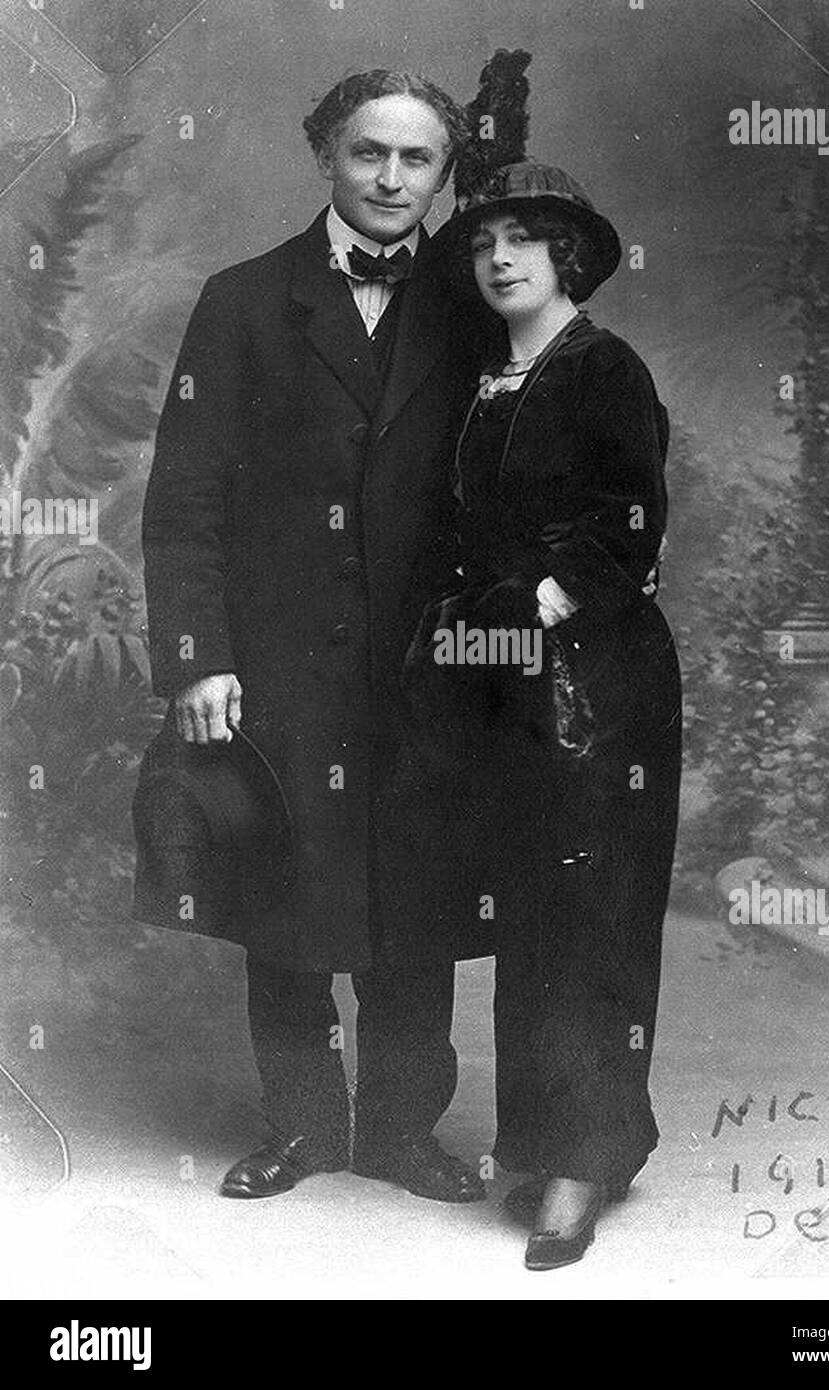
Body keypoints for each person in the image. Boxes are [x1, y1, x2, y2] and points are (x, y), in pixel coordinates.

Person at [141, 70, 487, 1205]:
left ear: (443, 174)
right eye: (367, 154)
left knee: (417, 898)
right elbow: (184, 497)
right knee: (283, 894)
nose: (391, 180)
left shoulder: (479, 301)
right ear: (324, 157)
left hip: (429, 667)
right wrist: (197, 656)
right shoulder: (242, 300)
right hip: (279, 661)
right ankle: (300, 1127)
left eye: (416, 160)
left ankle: (398, 1129)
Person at [411, 161, 682, 1268]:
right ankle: (536, 1138)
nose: (499, 259)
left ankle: (585, 1159)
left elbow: (627, 523)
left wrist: (534, 605)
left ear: (566, 255)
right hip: (504, 680)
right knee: (531, 916)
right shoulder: (487, 376)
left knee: (594, 917)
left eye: (523, 239)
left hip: (595, 687)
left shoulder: (602, 368)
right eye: (482, 244)